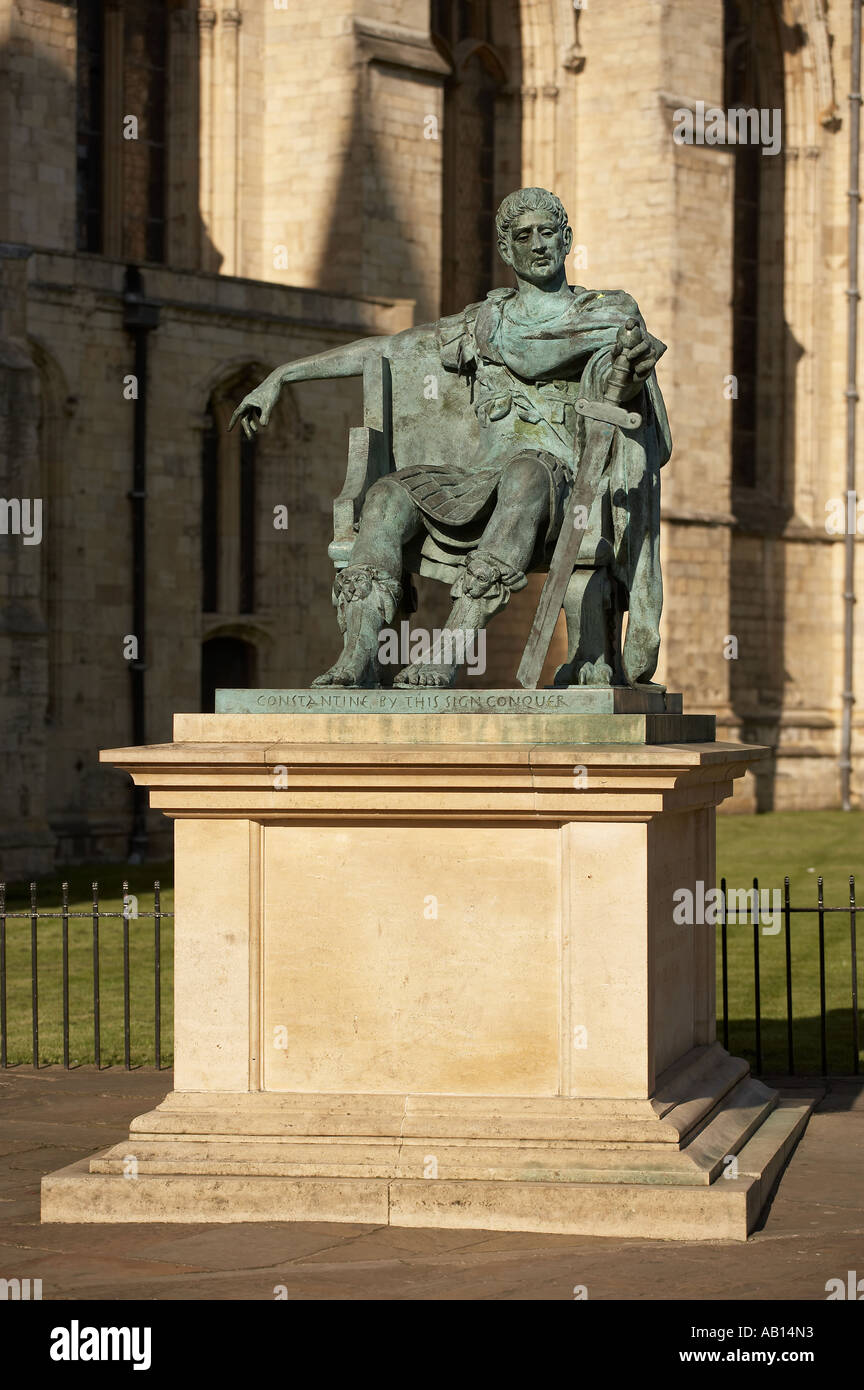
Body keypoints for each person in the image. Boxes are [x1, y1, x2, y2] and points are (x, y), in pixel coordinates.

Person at [230, 187, 671, 688]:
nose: (538, 245)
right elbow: (388, 349)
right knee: (387, 496)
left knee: (525, 475)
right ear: (507, 251)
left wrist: (631, 373)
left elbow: (631, 384)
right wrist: (283, 375)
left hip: (560, 484)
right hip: (478, 476)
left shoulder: (606, 314)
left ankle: (450, 649)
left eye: (547, 233)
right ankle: (356, 659)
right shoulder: (483, 323)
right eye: (523, 237)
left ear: (566, 239)